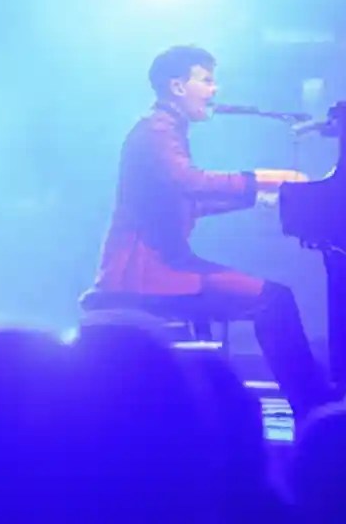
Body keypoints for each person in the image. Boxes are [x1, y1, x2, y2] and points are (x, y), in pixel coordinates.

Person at [89, 44, 330, 416]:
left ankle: (310, 404)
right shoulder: (157, 130)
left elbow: (187, 201)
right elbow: (190, 182)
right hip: (145, 273)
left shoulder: (164, 128)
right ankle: (313, 409)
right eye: (206, 80)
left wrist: (258, 197)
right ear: (177, 87)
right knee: (274, 300)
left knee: (273, 298)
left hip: (157, 266)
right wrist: (263, 179)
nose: (214, 90)